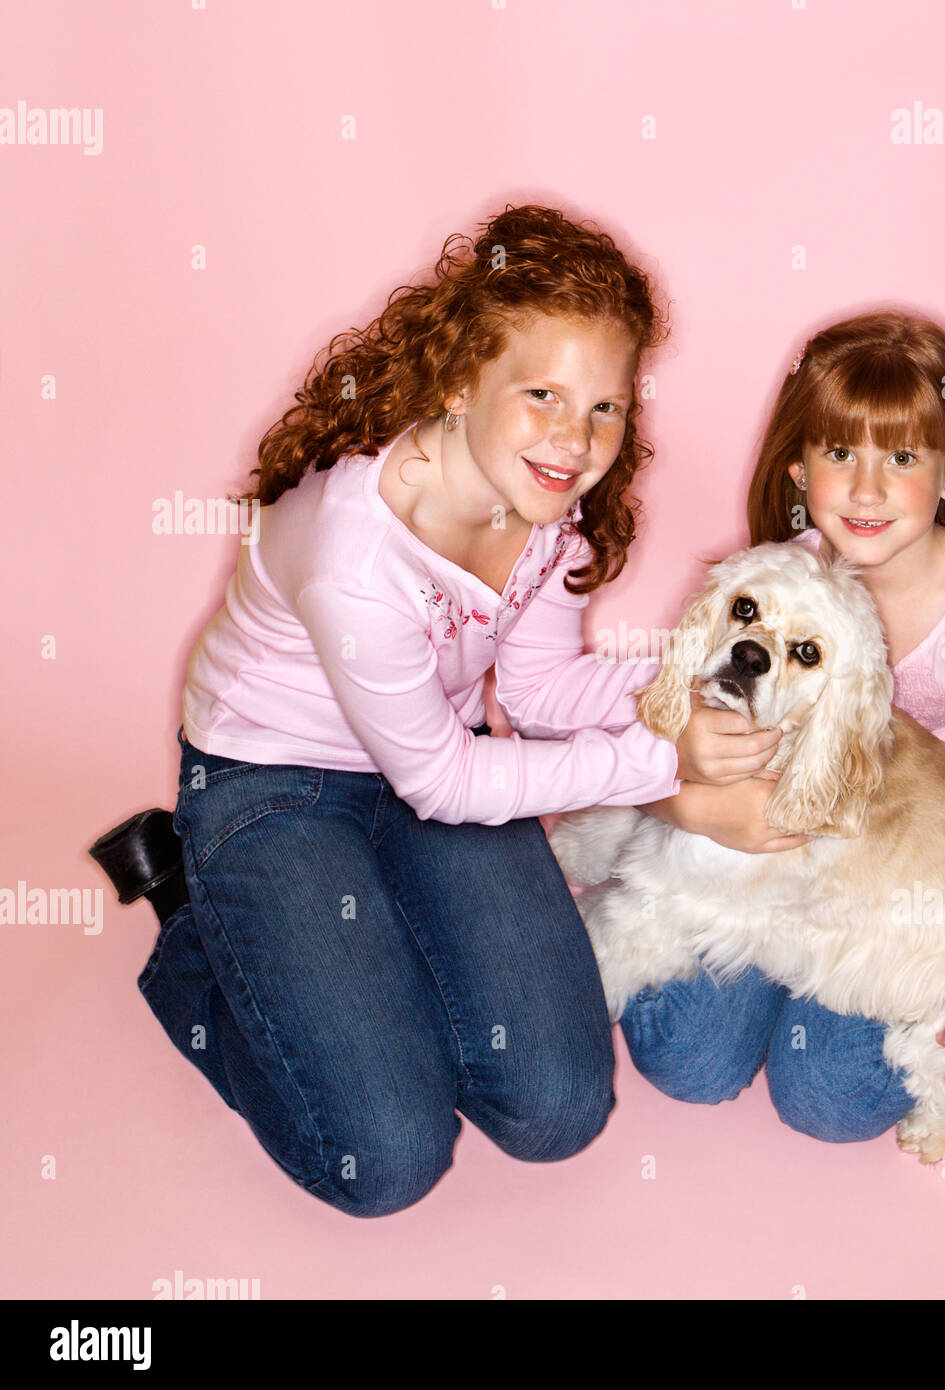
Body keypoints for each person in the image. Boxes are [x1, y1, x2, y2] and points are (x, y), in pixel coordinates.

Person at [89, 203, 777, 1217]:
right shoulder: (355, 554)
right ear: (460, 382)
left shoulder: (548, 503)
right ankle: (196, 931)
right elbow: (447, 783)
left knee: (558, 1109)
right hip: (274, 784)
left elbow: (540, 692)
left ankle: (362, 960)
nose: (576, 439)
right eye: (541, 395)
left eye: (605, 407)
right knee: (386, 1158)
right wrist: (670, 762)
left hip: (434, 763)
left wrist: (698, 692)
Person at [625, 310, 945, 1139]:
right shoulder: (775, 585)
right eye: (840, 453)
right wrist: (686, 803)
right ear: (798, 469)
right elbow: (651, 735)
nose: (866, 490)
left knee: (827, 1099)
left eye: (901, 458)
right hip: (764, 856)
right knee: (688, 1058)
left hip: (899, 895)